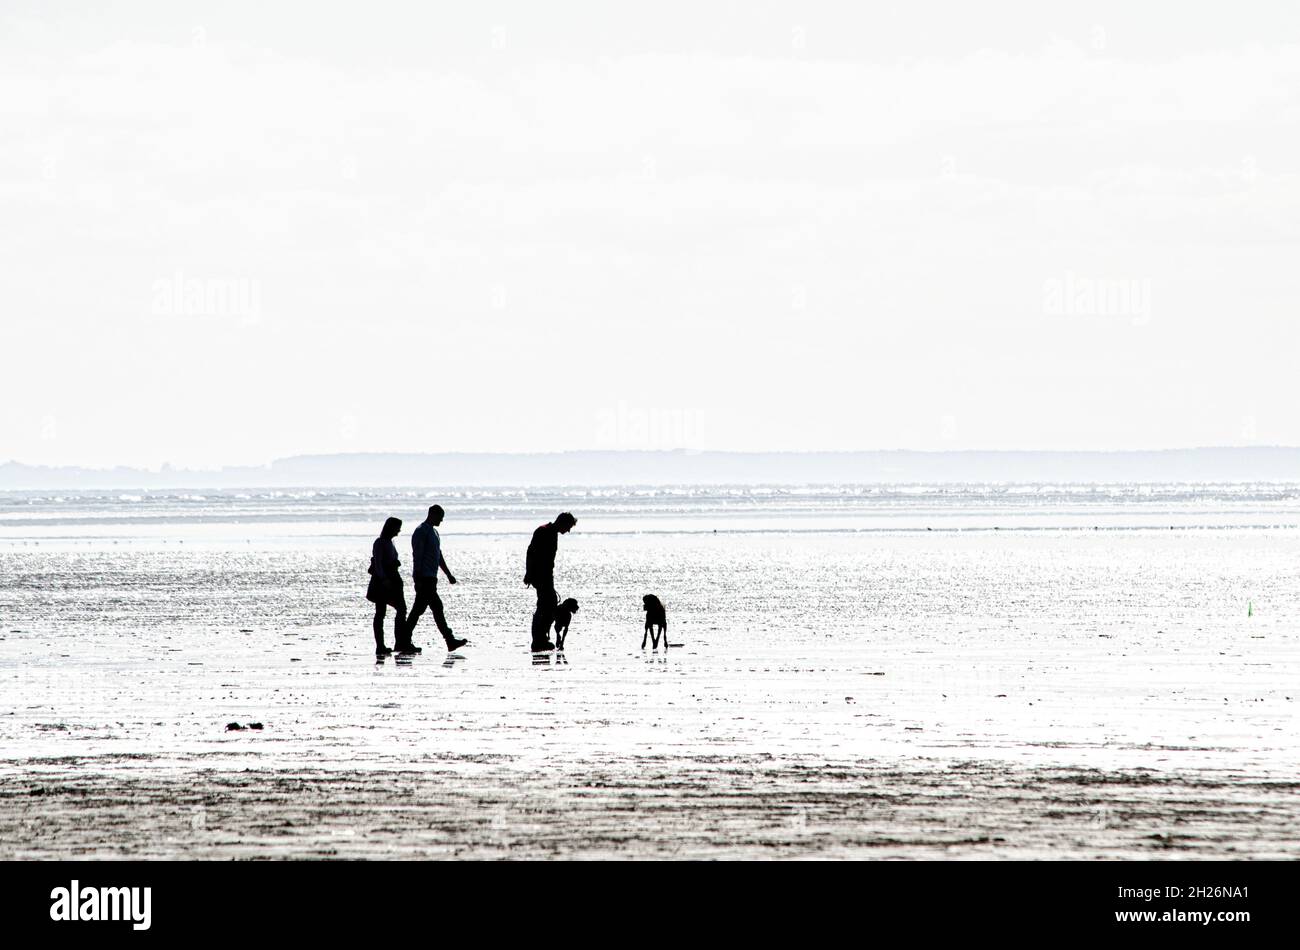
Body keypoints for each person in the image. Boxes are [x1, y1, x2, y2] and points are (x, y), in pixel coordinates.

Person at [406, 505, 468, 652]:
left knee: (422, 610)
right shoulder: (421, 531)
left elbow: (438, 556)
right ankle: (449, 640)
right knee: (427, 609)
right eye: (440, 516)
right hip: (424, 577)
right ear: (432, 514)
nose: (441, 520)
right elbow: (417, 556)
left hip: (431, 578)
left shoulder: (435, 532)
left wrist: (448, 574)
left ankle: (404, 639)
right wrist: (417, 578)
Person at [524, 512, 576, 651]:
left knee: (548, 605)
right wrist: (529, 573)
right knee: (546, 606)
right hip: (540, 575)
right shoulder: (544, 531)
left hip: (546, 575)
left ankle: (541, 638)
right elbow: (531, 552)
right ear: (562, 522)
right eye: (568, 527)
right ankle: (539, 640)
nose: (568, 530)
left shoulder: (552, 533)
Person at [366, 517, 409, 656]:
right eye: (397, 528)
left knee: (400, 610)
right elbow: (378, 563)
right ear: (390, 528)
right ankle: (381, 645)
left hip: (392, 580)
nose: (399, 531)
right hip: (383, 582)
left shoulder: (390, 542)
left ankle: (398, 641)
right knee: (381, 613)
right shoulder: (380, 543)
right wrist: (384, 578)